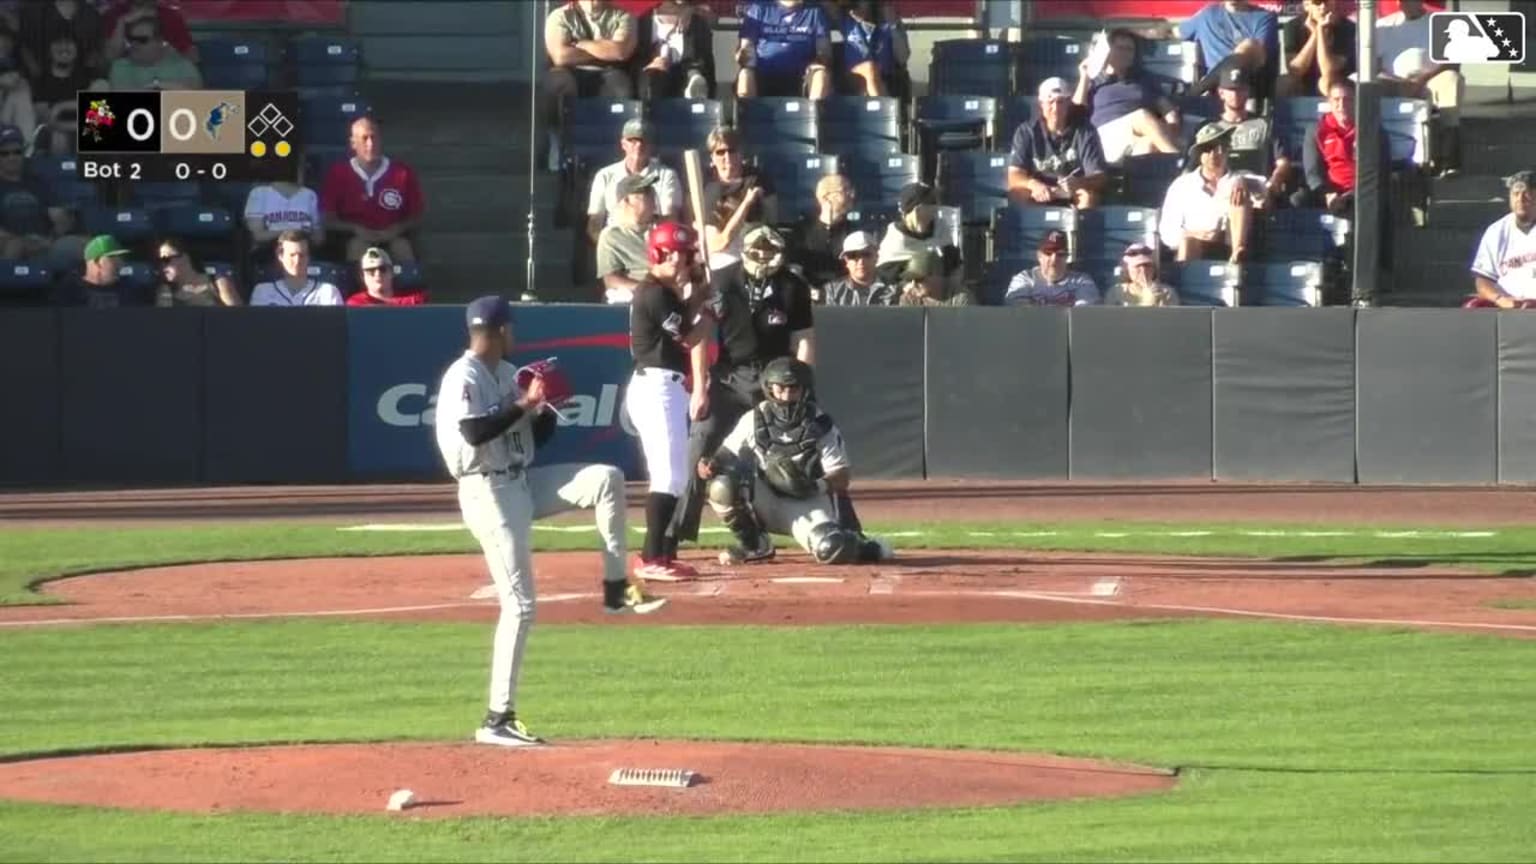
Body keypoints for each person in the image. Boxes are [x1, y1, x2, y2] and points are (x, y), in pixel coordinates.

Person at [434, 296, 666, 748]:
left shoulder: (507, 373)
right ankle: (497, 718)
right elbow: (474, 433)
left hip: (520, 481)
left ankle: (617, 588)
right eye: (512, 328)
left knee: (606, 479)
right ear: (502, 330)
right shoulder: (464, 376)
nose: (514, 335)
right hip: (488, 493)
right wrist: (525, 402)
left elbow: (532, 437)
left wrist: (544, 411)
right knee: (519, 606)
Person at [663, 223, 819, 561]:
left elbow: (803, 339)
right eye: (757, 249)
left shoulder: (793, 287)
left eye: (769, 249)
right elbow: (700, 338)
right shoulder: (721, 281)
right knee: (699, 445)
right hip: (729, 378)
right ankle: (672, 534)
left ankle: (831, 526)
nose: (762, 255)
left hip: (776, 379)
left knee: (798, 450)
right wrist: (700, 387)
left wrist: (801, 382)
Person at [698, 357, 893, 566]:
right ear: (769, 388)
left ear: (804, 390)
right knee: (722, 486)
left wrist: (814, 485)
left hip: (807, 504)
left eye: (793, 388)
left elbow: (841, 476)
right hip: (766, 499)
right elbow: (725, 455)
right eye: (780, 388)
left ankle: (866, 547)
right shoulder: (754, 418)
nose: (786, 395)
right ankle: (754, 546)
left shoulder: (820, 424)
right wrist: (709, 464)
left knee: (831, 548)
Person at [626, 221, 716, 580]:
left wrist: (701, 296)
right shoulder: (653, 294)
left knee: (672, 476)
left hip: (664, 386)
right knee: (668, 477)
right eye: (672, 255)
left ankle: (660, 554)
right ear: (657, 254)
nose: (679, 262)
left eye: (684, 255)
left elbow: (683, 312)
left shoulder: (662, 292)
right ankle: (651, 557)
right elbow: (690, 337)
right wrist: (710, 313)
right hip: (657, 386)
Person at [319, 116, 424, 264]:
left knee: (401, 247)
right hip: (354, 238)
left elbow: (416, 216)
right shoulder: (338, 173)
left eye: (374, 137)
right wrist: (355, 229)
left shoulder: (402, 173)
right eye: (364, 138)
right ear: (353, 143)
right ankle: (358, 280)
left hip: (392, 236)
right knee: (357, 247)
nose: (370, 143)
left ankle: (409, 279)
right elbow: (328, 219)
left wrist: (395, 229)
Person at [1158, 124, 1266, 263]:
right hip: (1197, 245)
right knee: (1187, 244)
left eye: (1221, 147)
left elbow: (1266, 195)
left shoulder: (1244, 178)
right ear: (1200, 155)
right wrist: (1198, 235)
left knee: (1239, 191)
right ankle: (1187, 274)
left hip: (1231, 242)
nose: (1215, 153)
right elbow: (1167, 232)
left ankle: (1237, 252)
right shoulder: (1182, 186)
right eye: (1208, 149)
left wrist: (1245, 183)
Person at [1072, 28, 1180, 165]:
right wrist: (1085, 77)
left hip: (1133, 140)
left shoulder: (1143, 80)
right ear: (1108, 51)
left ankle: (1137, 179)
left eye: (1130, 50)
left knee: (1149, 144)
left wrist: (1171, 128)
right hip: (1103, 139)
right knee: (1141, 116)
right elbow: (1074, 114)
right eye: (1120, 48)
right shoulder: (1094, 81)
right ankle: (1178, 161)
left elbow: (1169, 111)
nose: (1125, 54)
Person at [1006, 77, 1110, 210]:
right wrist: (1033, 184)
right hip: (1039, 192)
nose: (1055, 108)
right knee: (1017, 194)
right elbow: (1014, 175)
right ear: (1041, 104)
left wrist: (1078, 183)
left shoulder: (1085, 131)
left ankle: (1080, 224)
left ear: (1068, 103)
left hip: (1071, 192)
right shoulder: (1026, 132)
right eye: (1050, 102)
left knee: (1088, 197)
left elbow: (1099, 177)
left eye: (1060, 102)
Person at [585, 117, 681, 244]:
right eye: (633, 140)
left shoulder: (666, 175)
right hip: (615, 242)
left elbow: (670, 219)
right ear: (623, 144)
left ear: (652, 145)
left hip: (651, 243)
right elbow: (594, 224)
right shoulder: (605, 175)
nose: (639, 145)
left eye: (644, 140)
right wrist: (607, 246)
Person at [734, 0, 833, 99]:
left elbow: (824, 50)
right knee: (745, 74)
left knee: (821, 75)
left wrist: (819, 60)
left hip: (803, 76)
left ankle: (815, 109)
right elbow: (746, 46)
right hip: (763, 74)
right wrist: (744, 56)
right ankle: (747, 108)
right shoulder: (759, 8)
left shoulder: (815, 11)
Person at [1466, 170, 1536, 309]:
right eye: (1515, 194)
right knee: (1473, 306)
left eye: (1527, 193)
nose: (1520, 199)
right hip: (1507, 303)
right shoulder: (1496, 230)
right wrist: (1500, 299)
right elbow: (1483, 280)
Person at [596, 173, 658, 304]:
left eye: (651, 190)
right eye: (644, 192)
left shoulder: (663, 228)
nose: (652, 194)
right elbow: (611, 281)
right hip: (638, 299)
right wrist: (648, 290)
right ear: (626, 201)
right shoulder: (612, 236)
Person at [634, 0, 714, 100]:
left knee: (693, 72)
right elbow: (635, 58)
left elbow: (706, 63)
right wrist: (651, 64)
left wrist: (692, 11)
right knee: (653, 77)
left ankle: (694, 81)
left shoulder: (697, 22)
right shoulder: (642, 21)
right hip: (652, 79)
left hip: (684, 76)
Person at [1003, 230, 1101, 306]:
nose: (1054, 259)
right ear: (1039, 256)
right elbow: (1018, 312)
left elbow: (1083, 315)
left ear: (1067, 257)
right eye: (1048, 253)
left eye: (1060, 254)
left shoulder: (1082, 281)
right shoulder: (1025, 279)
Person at [1281, 0, 1356, 97]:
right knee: (1284, 82)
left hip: (1338, 81)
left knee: (1326, 81)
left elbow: (1328, 70)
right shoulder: (1292, 26)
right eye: (1317, 2)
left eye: (1327, 2)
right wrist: (1315, 34)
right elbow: (1295, 70)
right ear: (1307, 6)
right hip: (1303, 80)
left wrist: (1320, 29)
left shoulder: (1347, 28)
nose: (1323, 7)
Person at [249, 230, 344, 307]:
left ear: (309, 257)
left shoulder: (328, 292)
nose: (297, 261)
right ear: (280, 256)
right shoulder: (263, 292)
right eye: (292, 255)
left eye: (302, 255)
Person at [53, 233, 149, 307]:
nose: (121, 265)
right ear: (97, 262)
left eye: (121, 259)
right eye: (114, 259)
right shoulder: (71, 290)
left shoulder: (130, 289)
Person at [154, 237, 242, 306]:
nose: (162, 266)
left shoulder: (217, 282)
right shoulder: (165, 291)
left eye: (166, 260)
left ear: (185, 258)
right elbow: (164, 320)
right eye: (159, 262)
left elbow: (237, 315)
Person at [820, 230, 897, 305]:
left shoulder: (894, 290)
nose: (861, 261)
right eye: (853, 256)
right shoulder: (832, 291)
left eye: (866, 254)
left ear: (876, 257)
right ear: (846, 261)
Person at [345, 246, 428, 306]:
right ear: (362, 276)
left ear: (392, 272)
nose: (377, 274)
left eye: (383, 269)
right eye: (371, 270)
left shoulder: (414, 300)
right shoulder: (355, 304)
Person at [1104, 242, 1180, 306]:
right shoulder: (1116, 292)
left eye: (1147, 266)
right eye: (1137, 267)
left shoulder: (1167, 292)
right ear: (1127, 270)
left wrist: (1161, 302)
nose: (1143, 270)